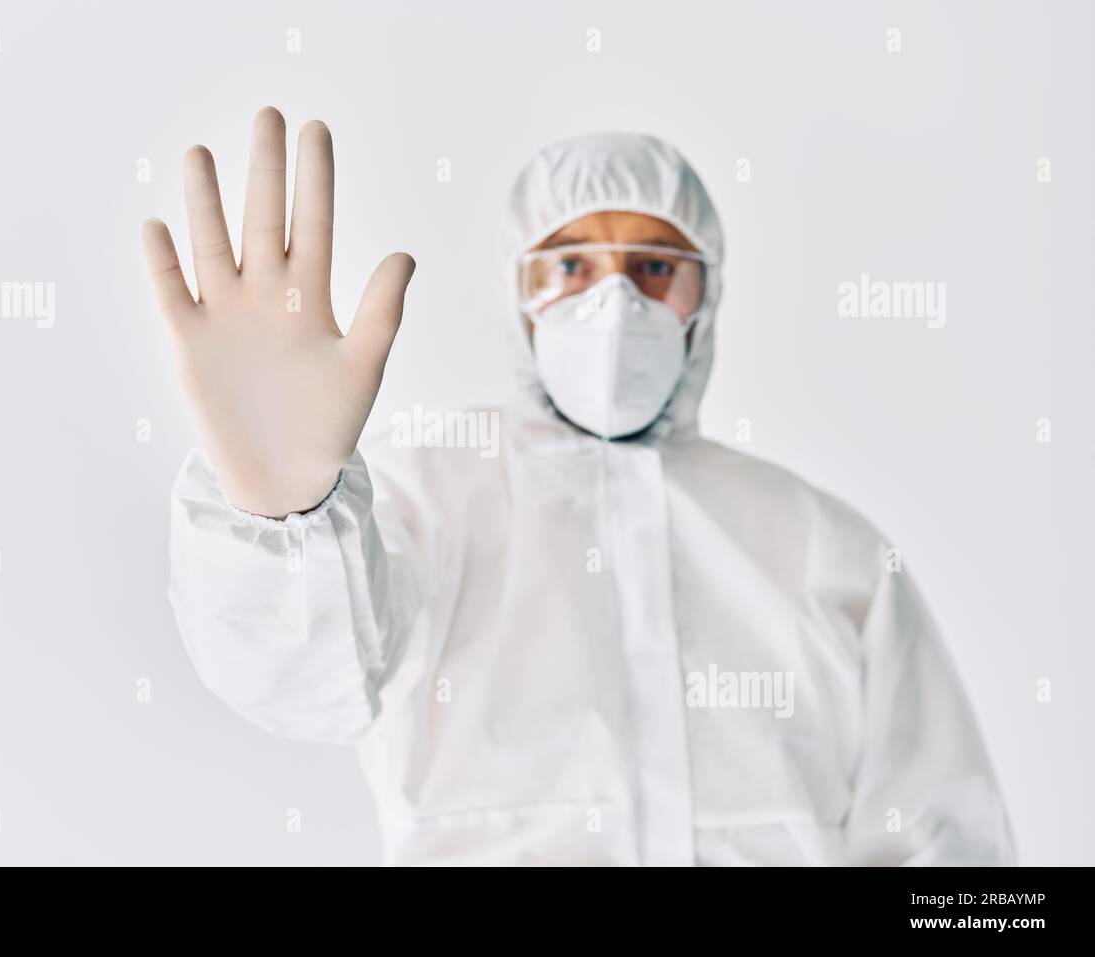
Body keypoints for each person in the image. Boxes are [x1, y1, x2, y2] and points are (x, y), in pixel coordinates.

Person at [141, 106, 1016, 866]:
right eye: (568, 266)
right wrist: (285, 513)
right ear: (519, 295)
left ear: (704, 294)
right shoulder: (431, 500)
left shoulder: (824, 546)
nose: (615, 303)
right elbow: (305, 684)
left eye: (654, 267)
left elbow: (953, 856)